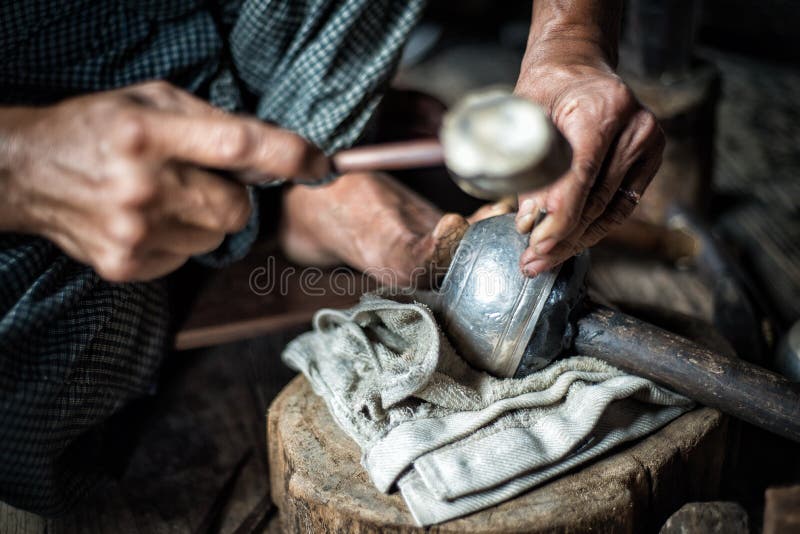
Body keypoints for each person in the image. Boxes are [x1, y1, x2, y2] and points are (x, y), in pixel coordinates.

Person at [0, 0, 663, 516]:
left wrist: (569, 38)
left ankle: (315, 180)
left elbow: (570, 33)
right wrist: (21, 165)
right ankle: (299, 189)